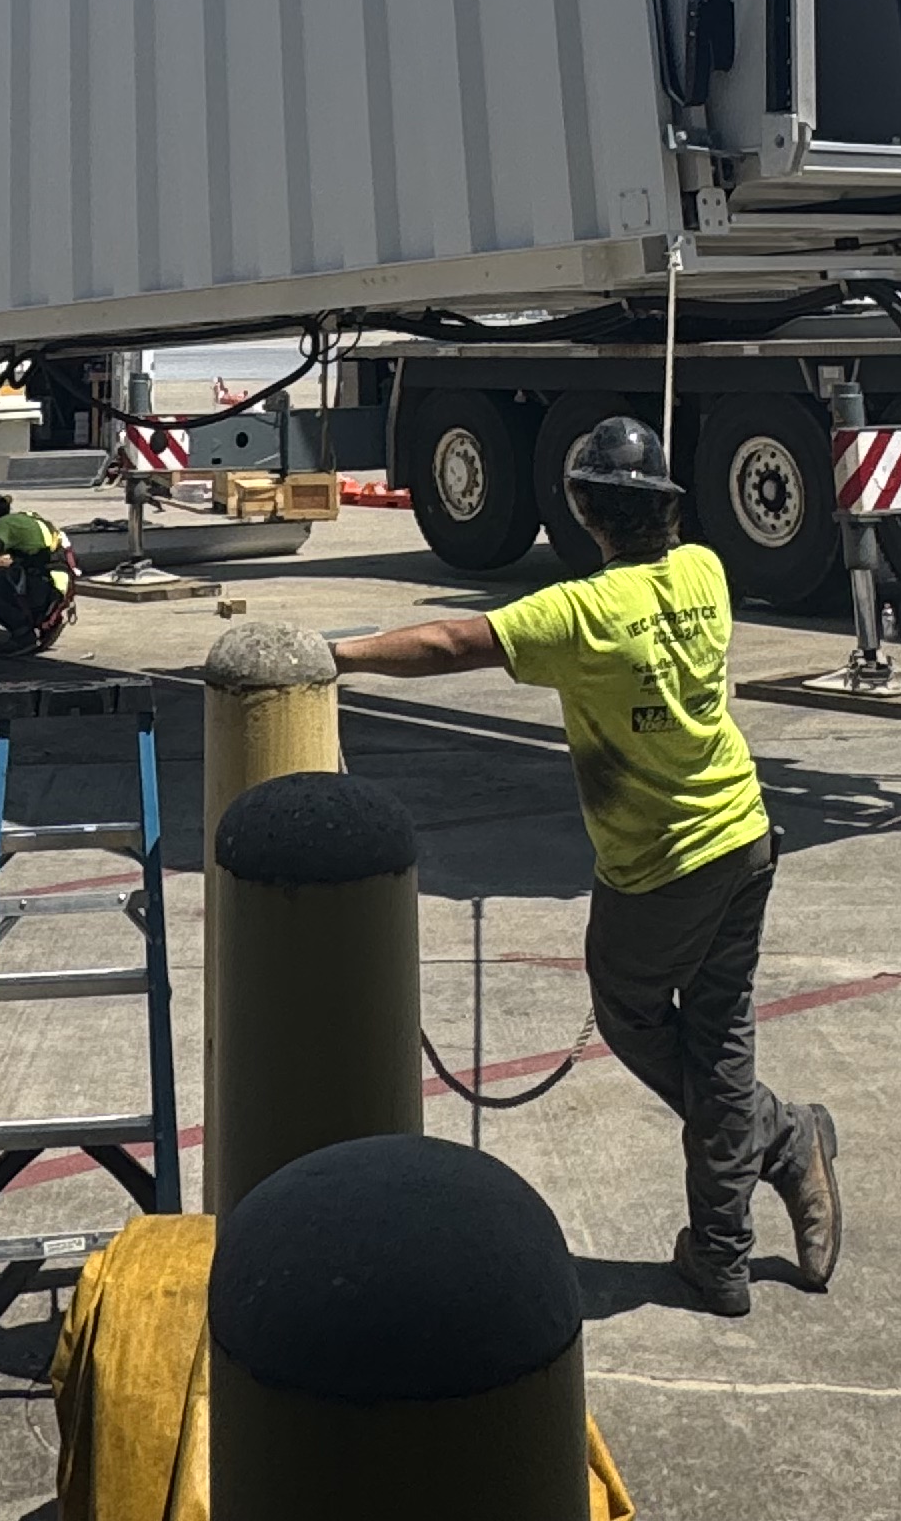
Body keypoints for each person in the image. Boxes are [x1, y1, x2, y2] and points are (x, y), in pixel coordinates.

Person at [326, 413, 839, 1320]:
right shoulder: (707, 572)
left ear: (583, 509)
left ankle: (775, 1140)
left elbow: (451, 643)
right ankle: (726, 1245)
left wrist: (334, 656)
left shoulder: (581, 615)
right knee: (717, 1036)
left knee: (633, 1012)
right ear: (669, 506)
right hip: (745, 837)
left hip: (659, 866)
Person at [0, 494, 77, 652]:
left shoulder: (2, 525)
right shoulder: (24, 519)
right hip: (58, 584)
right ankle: (46, 621)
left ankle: (23, 635)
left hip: (44, 586)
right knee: (3, 574)